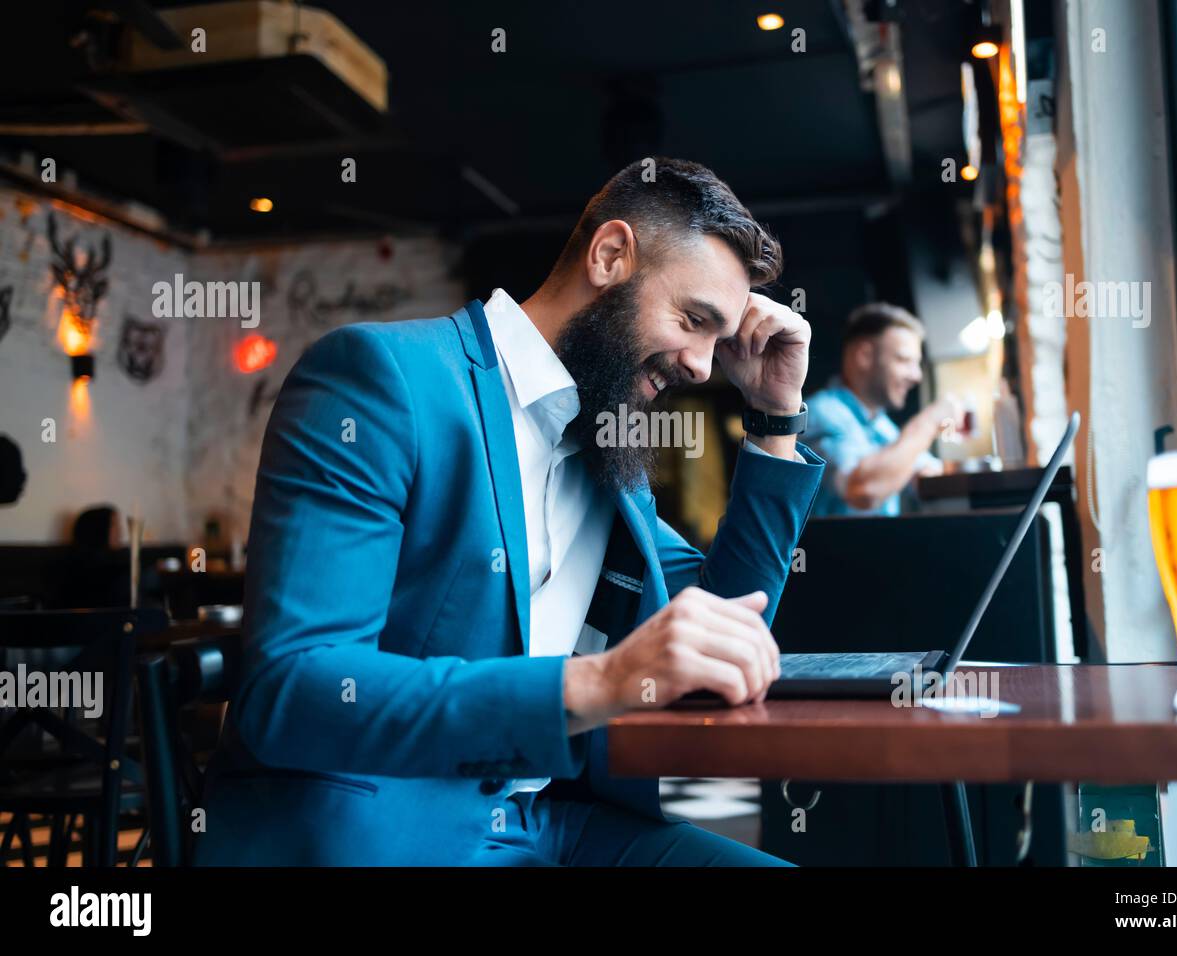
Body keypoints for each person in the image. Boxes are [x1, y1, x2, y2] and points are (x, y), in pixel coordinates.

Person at [195, 158, 824, 866]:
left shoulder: (605, 447)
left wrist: (774, 418)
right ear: (610, 256)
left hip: (548, 824)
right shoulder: (380, 379)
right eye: (693, 319)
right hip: (383, 833)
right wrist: (597, 683)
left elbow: (723, 622)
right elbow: (294, 689)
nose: (705, 368)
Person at [805, 303, 957, 517]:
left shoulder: (882, 425)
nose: (917, 376)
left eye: (917, 363)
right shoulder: (820, 413)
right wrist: (928, 423)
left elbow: (927, 473)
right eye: (904, 360)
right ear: (864, 356)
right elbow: (863, 490)